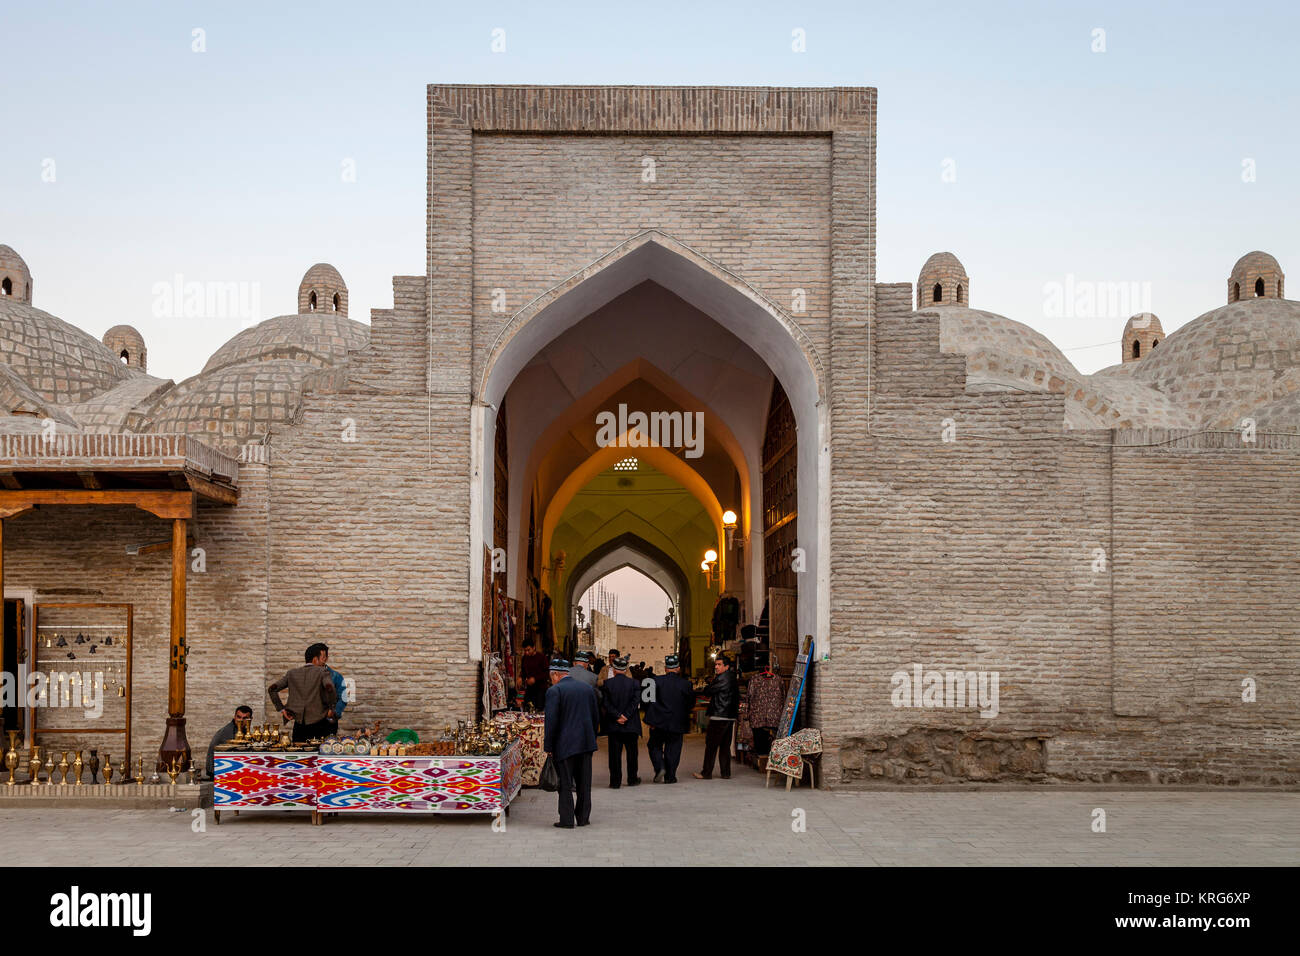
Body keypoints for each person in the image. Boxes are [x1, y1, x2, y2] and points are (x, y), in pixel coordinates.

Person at [543, 657, 599, 828]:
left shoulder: (555, 691)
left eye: (551, 676)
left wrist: (549, 747)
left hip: (565, 745)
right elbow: (595, 717)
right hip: (585, 743)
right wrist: (592, 737)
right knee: (584, 783)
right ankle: (583, 818)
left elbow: (551, 722)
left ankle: (566, 820)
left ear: (556, 675)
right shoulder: (587, 689)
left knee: (566, 784)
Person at [268, 642, 337, 742]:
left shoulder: (292, 673)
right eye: (324, 658)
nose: (325, 661)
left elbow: (272, 689)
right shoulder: (322, 672)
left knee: (300, 753)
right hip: (320, 723)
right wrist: (332, 708)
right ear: (315, 659)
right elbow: (330, 687)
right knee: (321, 754)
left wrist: (281, 709)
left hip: (299, 725)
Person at [645, 655, 694, 784]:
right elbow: (691, 704)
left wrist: (650, 720)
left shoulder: (654, 681)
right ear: (678, 668)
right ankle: (670, 776)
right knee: (673, 748)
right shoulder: (686, 684)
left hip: (658, 722)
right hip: (677, 722)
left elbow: (647, 702)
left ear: (665, 668)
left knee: (654, 746)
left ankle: (660, 767)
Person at [693, 654, 739, 780]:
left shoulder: (722, 678)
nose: (716, 667)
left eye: (719, 665)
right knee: (725, 746)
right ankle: (725, 773)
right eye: (716, 665)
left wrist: (709, 685)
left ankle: (706, 773)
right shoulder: (732, 678)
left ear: (726, 666)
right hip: (729, 716)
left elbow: (708, 691)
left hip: (719, 715)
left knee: (711, 746)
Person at [601, 655, 642, 787]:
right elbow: (635, 702)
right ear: (626, 669)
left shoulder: (607, 684)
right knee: (632, 754)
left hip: (614, 724)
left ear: (613, 668)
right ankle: (632, 779)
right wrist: (626, 716)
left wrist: (618, 716)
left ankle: (615, 781)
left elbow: (606, 703)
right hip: (631, 724)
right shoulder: (635, 683)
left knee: (614, 755)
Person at [205, 704, 253, 779]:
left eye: (245, 718)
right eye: (238, 717)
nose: (241, 720)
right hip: (218, 771)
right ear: (234, 717)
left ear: (250, 719)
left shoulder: (244, 731)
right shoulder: (228, 731)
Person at [520, 640, 549, 712]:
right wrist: (520, 677)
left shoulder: (542, 657)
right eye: (525, 650)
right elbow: (523, 671)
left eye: (528, 650)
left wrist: (535, 679)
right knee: (528, 708)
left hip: (541, 689)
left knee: (538, 711)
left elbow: (546, 673)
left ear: (534, 648)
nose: (526, 652)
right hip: (529, 688)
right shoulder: (524, 658)